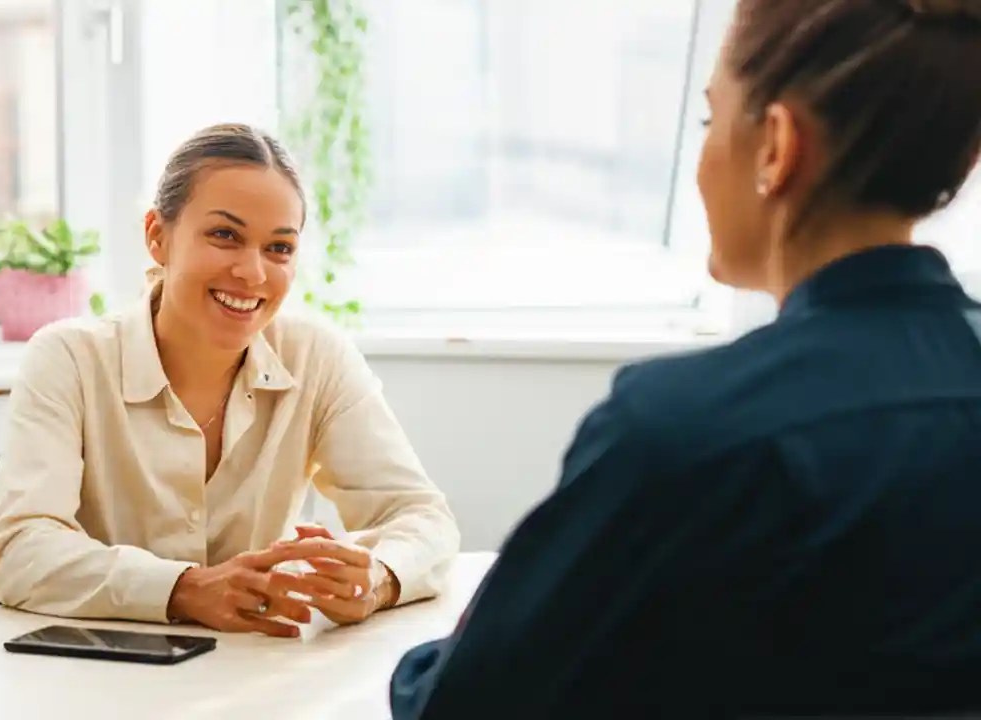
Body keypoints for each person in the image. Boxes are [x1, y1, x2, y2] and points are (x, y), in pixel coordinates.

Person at [391, 0, 981, 716]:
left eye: (709, 120)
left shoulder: (684, 431)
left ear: (775, 146)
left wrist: (458, 639)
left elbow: (464, 705)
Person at [0, 123, 459, 638]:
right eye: (225, 236)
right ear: (157, 236)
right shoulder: (69, 359)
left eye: (279, 248)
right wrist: (184, 589)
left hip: (257, 668)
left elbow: (422, 516)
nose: (253, 273)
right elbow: (18, 550)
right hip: (101, 671)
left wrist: (378, 578)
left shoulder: (317, 357)